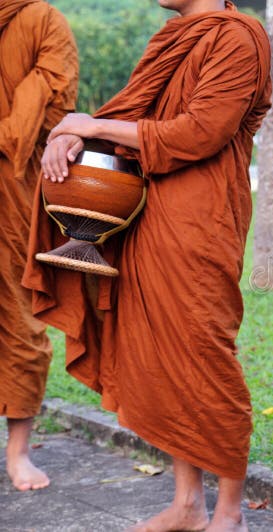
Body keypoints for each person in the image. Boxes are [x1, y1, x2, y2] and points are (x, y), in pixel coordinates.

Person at [24, 0, 271, 530]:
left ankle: (229, 513)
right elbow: (130, 115)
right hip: (142, 216)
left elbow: (201, 132)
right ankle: (187, 505)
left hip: (200, 221)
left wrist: (92, 125)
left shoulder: (238, 36)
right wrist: (74, 134)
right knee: (162, 360)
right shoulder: (173, 36)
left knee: (205, 355)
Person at [0, 0, 78, 492]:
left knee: (19, 318)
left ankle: (17, 453)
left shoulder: (43, 20)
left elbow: (55, 100)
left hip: (16, 185)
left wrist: (11, 131)